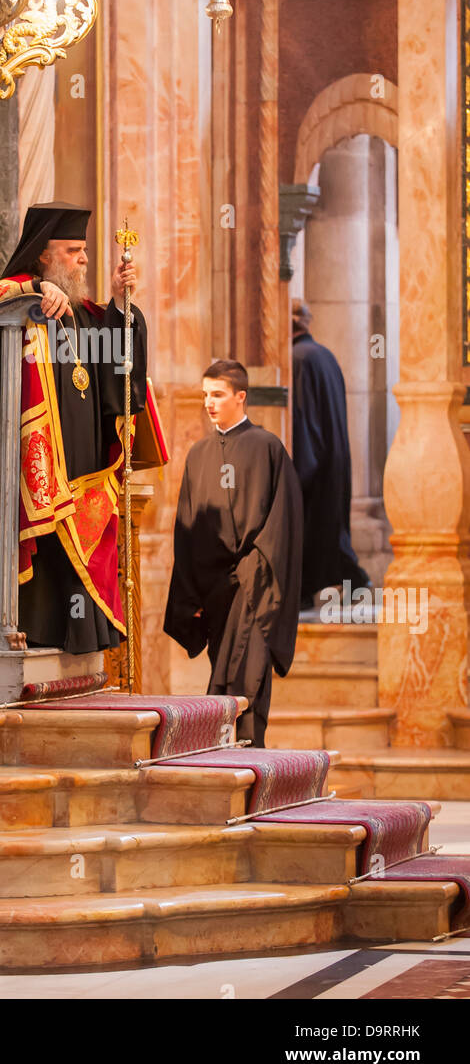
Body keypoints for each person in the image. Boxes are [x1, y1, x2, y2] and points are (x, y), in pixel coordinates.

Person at [0, 201, 147, 652]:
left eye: (84, 250)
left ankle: (80, 641)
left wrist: (121, 304)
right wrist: (34, 291)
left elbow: (117, 362)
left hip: (81, 470)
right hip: (36, 470)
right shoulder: (17, 295)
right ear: (42, 255)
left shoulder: (81, 313)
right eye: (73, 250)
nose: (84, 259)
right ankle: (39, 635)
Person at [163, 360, 303, 747]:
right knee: (223, 675)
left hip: (256, 586)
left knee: (248, 681)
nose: (209, 403)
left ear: (241, 397)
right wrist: (190, 595)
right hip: (215, 593)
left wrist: (255, 568)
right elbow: (187, 527)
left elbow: (284, 520)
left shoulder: (268, 448)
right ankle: (226, 761)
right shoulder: (199, 454)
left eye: (218, 395)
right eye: (205, 395)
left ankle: (247, 763)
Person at [291, 299, 371, 609]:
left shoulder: (297, 358)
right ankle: (353, 581)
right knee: (331, 528)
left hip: (314, 459)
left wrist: (297, 471)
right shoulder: (324, 355)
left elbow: (302, 420)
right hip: (334, 457)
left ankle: (305, 592)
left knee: (313, 530)